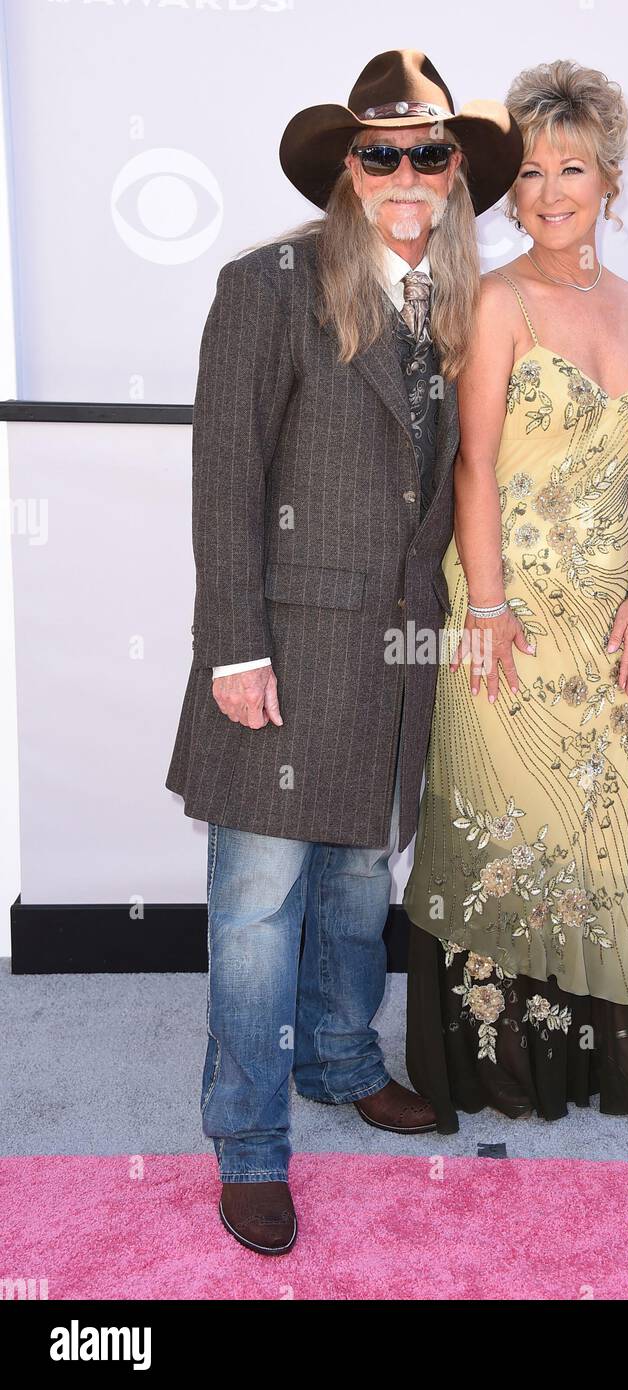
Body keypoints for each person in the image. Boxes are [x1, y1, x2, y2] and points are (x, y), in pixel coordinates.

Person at [165, 49, 522, 1253]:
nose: (406, 174)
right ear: (347, 168)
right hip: (282, 644)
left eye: (429, 154)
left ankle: (334, 1059)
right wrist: (232, 650)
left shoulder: (463, 298)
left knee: (363, 877)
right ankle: (251, 1144)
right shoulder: (267, 283)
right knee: (258, 903)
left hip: (398, 649)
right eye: (381, 153)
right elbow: (225, 476)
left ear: (457, 171)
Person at [403, 59, 628, 1133]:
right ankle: (501, 1063)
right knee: (503, 811)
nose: (549, 191)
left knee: (593, 823)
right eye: (528, 173)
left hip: (602, 609)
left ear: (608, 181)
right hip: (504, 600)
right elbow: (471, 464)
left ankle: (602, 1046)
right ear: (507, 194)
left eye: (570, 167)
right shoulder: (493, 299)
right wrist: (484, 607)